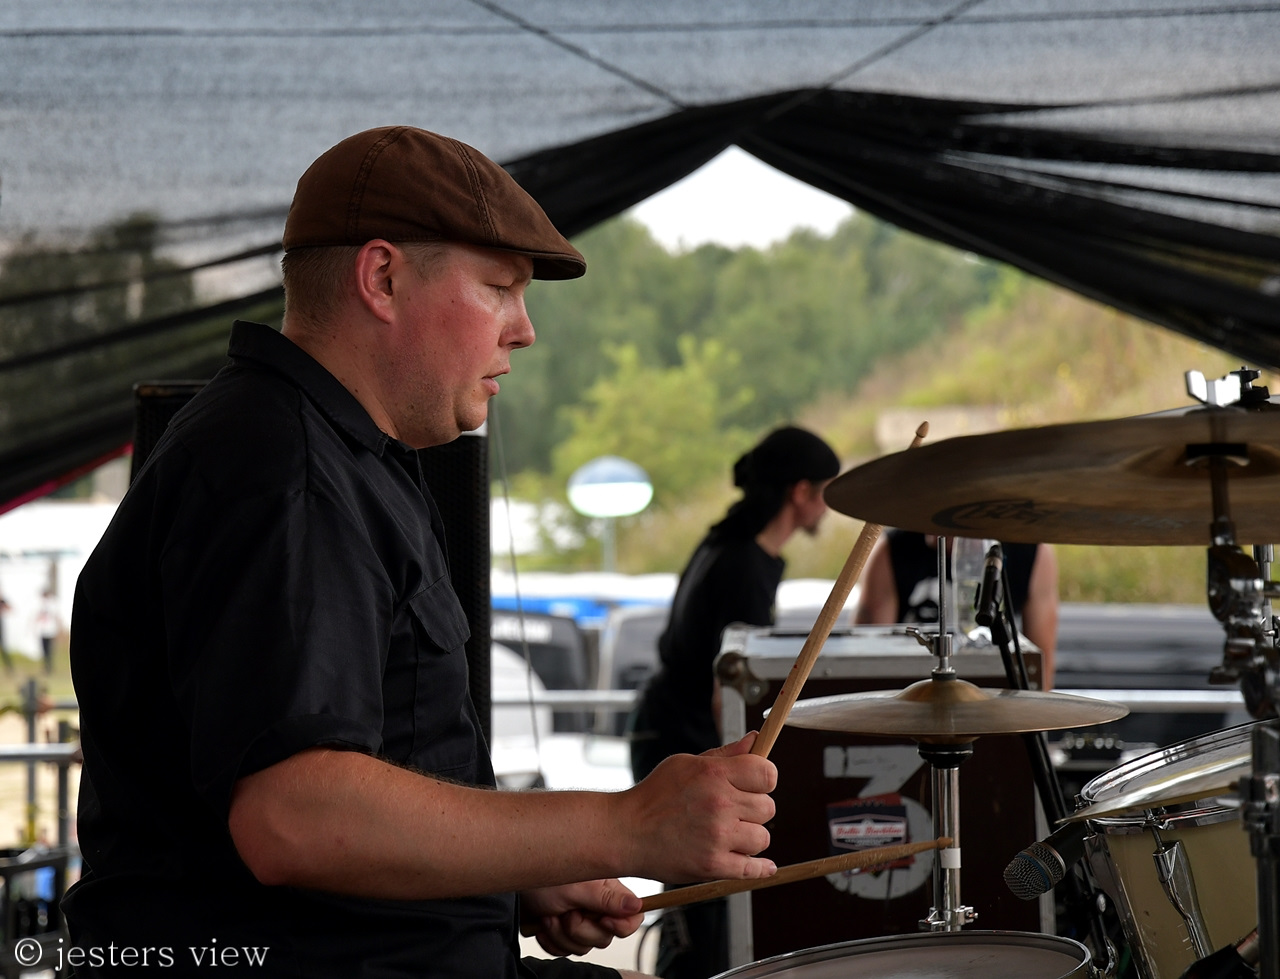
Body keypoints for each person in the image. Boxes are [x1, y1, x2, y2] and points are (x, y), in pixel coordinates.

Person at [64, 126, 778, 979]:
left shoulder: (340, 454)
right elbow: (295, 814)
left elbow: (375, 771)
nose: (525, 330)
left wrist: (518, 874)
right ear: (383, 277)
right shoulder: (282, 472)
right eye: (500, 287)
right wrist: (624, 822)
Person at [628, 425, 839, 979]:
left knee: (703, 903)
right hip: (684, 735)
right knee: (707, 910)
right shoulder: (745, 563)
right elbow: (729, 690)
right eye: (826, 491)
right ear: (801, 493)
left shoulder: (729, 543)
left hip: (664, 725)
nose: (829, 508)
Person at [854, 530, 1059, 686]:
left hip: (992, 706)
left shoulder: (1031, 554)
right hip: (912, 703)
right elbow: (868, 670)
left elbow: (1039, 668)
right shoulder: (891, 551)